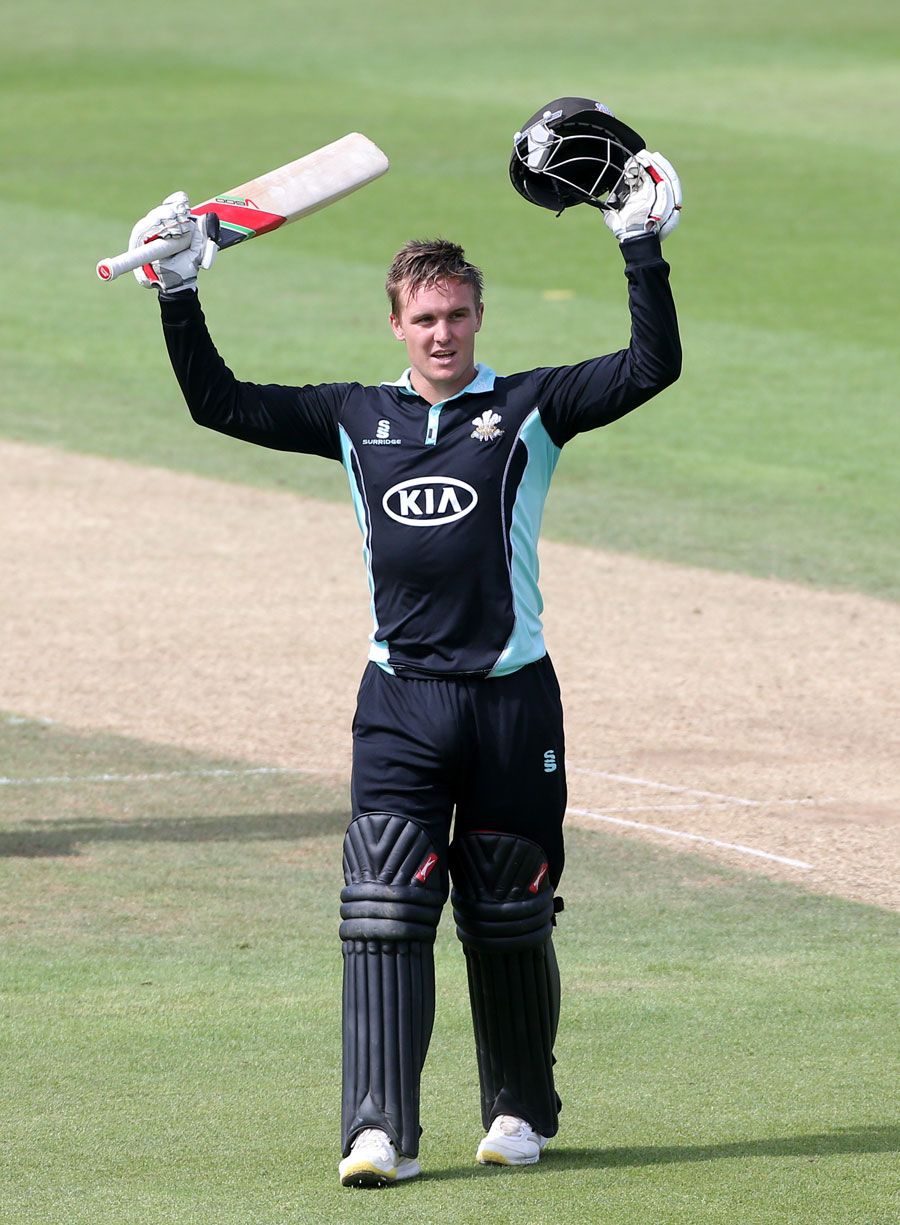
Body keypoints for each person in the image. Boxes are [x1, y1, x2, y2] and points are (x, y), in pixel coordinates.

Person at [128, 101, 681, 1188]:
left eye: (459, 317)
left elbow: (646, 369)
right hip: (400, 702)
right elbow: (217, 405)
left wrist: (640, 246)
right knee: (383, 904)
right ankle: (377, 1129)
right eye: (425, 318)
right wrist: (180, 290)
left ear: (479, 318)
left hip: (513, 698)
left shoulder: (530, 409)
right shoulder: (353, 417)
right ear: (396, 323)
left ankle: (520, 1109)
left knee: (510, 906)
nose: (442, 333)